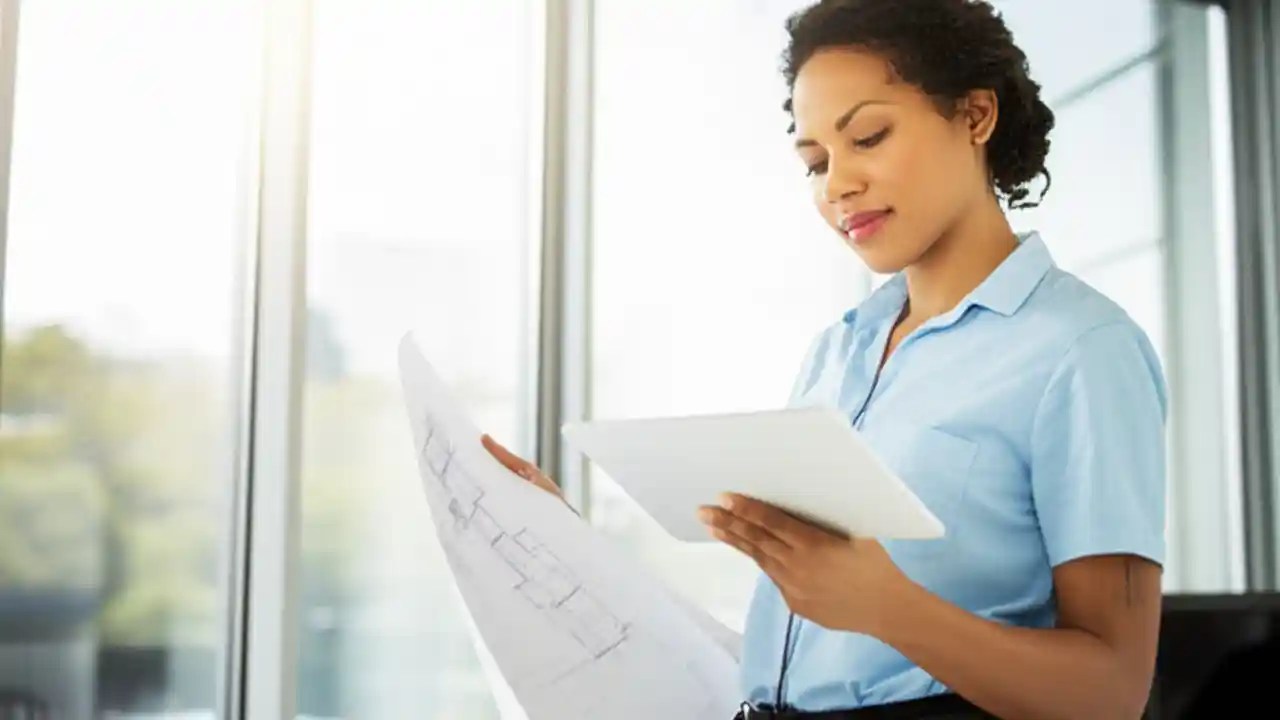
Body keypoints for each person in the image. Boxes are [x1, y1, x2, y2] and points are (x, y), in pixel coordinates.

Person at [484, 0, 1168, 717]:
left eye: (867, 136)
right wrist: (571, 548)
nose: (837, 185)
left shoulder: (1082, 350)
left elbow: (1111, 691)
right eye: (815, 162)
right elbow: (798, 647)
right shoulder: (839, 350)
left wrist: (889, 607)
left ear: (975, 117)